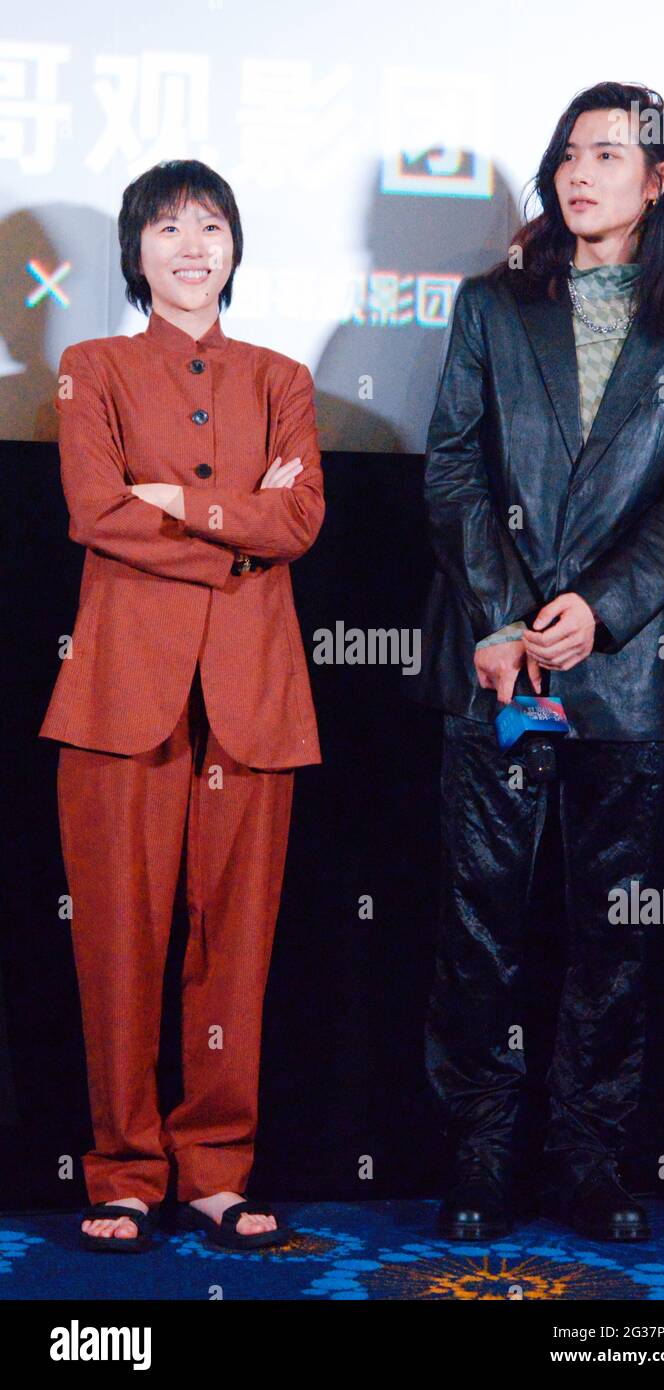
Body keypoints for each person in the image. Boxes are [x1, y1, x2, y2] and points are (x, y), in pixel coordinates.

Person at [409, 82, 664, 1241]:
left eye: (611, 153)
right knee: (482, 921)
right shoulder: (493, 306)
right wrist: (508, 617)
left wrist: (598, 610)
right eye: (567, 151)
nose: (579, 170)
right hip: (498, 662)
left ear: (658, 182)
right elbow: (450, 467)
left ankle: (593, 1157)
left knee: (615, 930)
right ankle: (484, 1154)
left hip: (623, 669)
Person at [39, 160, 325, 1252]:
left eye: (211, 225)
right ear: (136, 250)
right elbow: (96, 512)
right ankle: (122, 1170)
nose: (191, 245)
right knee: (118, 943)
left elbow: (300, 520)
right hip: (121, 697)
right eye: (167, 228)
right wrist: (239, 535)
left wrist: (194, 505)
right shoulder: (92, 366)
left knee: (234, 948)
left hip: (252, 700)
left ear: (237, 247)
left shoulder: (281, 378)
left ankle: (216, 1168)